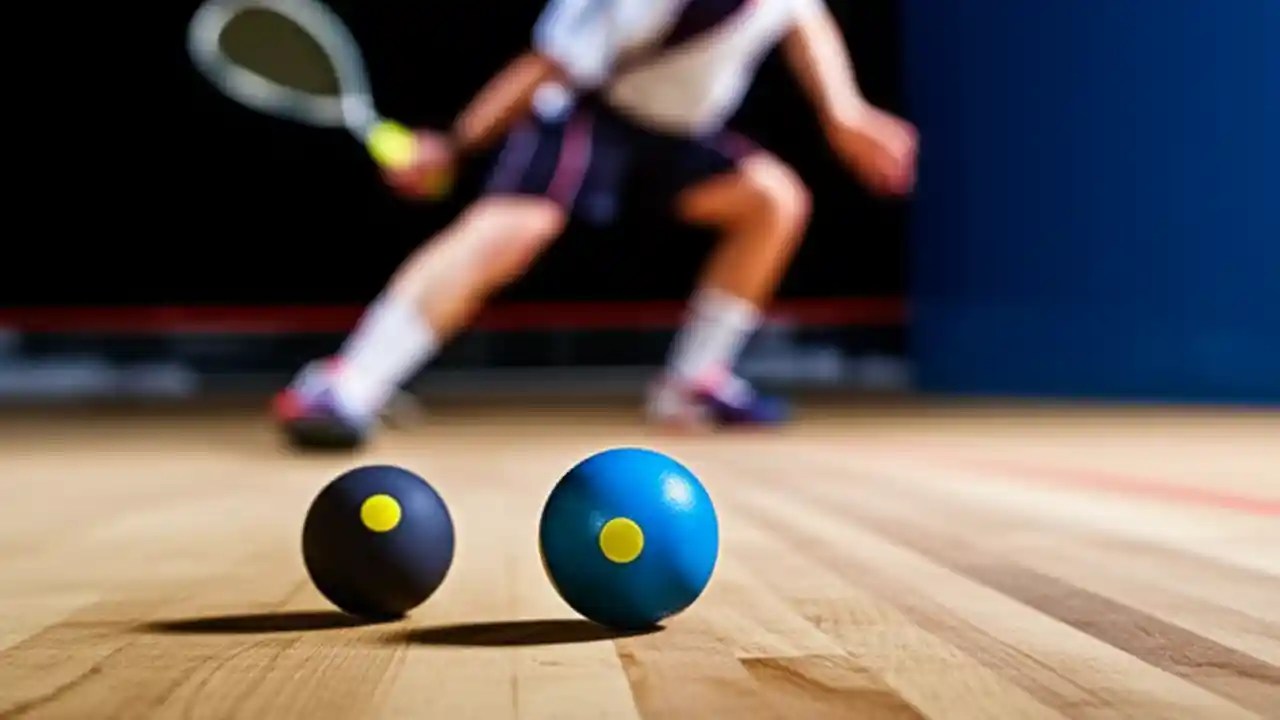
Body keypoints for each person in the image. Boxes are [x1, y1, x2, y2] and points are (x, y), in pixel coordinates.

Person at [273, 0, 918, 448]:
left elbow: (803, 17)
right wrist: (456, 144)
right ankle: (346, 382)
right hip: (586, 115)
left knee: (772, 200)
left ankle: (693, 385)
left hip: (675, 136)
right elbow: (544, 66)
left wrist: (844, 112)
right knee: (513, 230)